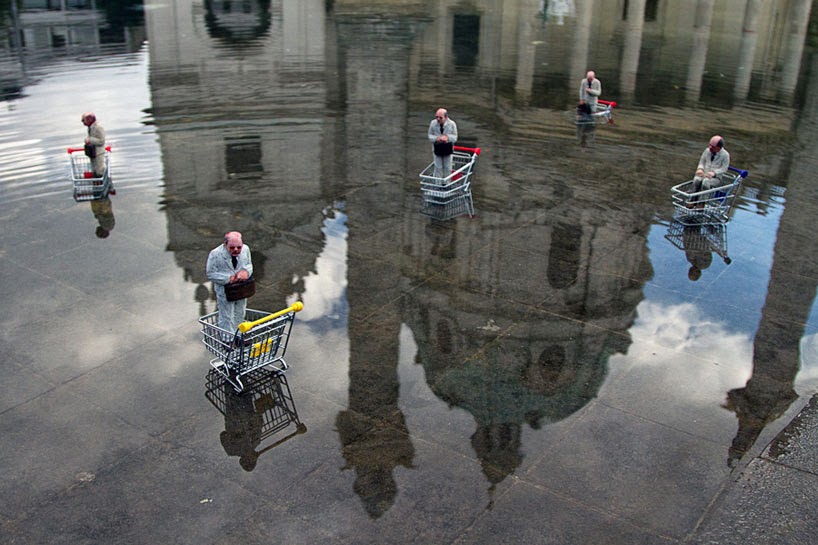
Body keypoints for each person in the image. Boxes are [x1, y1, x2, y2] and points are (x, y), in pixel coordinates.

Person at [206, 231, 253, 335]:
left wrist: (246, 272)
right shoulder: (215, 254)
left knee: (240, 312)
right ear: (225, 244)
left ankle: (239, 334)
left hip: (241, 289)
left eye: (238, 247)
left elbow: (249, 265)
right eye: (232, 248)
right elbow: (211, 274)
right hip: (225, 291)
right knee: (226, 315)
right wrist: (229, 278)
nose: (236, 250)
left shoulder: (246, 249)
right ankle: (227, 339)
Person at [81, 112, 115, 195]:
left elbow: (101, 141)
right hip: (92, 153)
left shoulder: (98, 127)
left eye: (83, 120)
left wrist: (90, 140)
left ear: (90, 119)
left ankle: (109, 187)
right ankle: (99, 189)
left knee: (101, 171)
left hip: (99, 153)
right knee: (95, 172)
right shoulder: (90, 128)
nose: (83, 122)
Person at [428, 108, 458, 180]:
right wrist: (436, 139)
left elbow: (455, 137)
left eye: (440, 118)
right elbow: (429, 136)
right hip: (437, 148)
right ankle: (438, 185)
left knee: (447, 167)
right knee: (438, 167)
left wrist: (447, 138)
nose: (438, 119)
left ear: (446, 117)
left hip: (447, 149)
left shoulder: (452, 124)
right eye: (436, 117)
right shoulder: (433, 123)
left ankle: (446, 184)